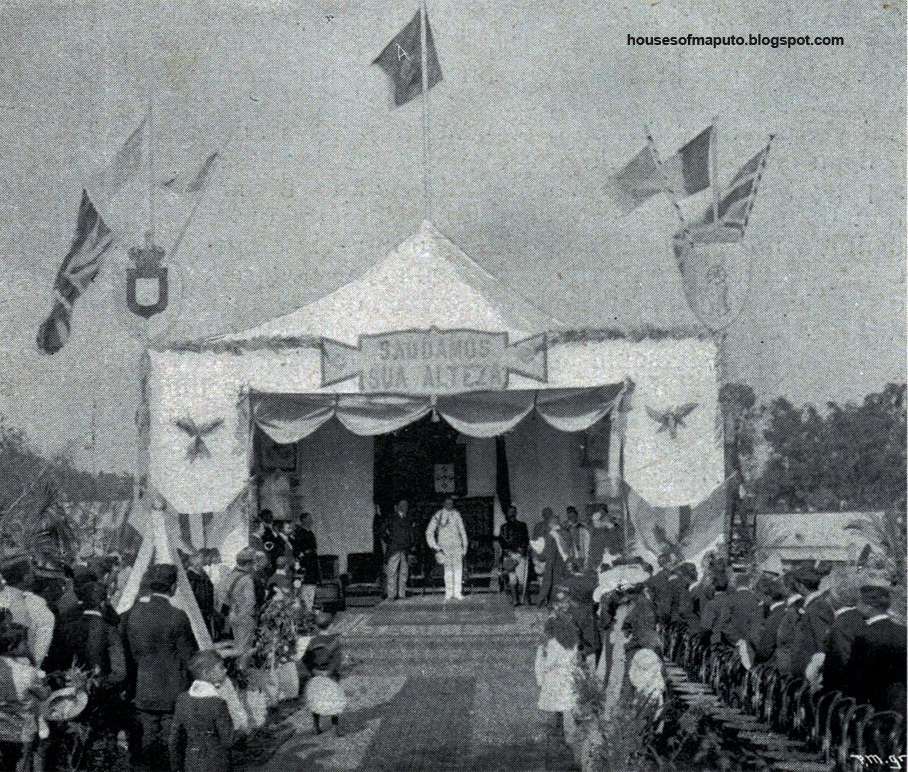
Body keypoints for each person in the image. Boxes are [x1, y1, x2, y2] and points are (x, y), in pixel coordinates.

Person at [123, 563, 197, 772]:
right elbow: (188, 656)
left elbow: (132, 651)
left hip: (144, 685)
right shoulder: (177, 616)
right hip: (173, 689)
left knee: (148, 739)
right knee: (171, 742)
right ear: (173, 587)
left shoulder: (135, 613)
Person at [846, 579, 907, 712]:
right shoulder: (903, 632)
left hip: (874, 703)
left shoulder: (864, 635)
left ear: (868, 606)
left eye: (858, 603)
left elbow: (856, 674)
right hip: (899, 701)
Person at [169, 650, 234, 772]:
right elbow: (228, 740)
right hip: (217, 763)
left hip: (192, 761)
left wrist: (176, 766)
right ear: (207, 673)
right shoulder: (217, 703)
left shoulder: (183, 699)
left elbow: (174, 739)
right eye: (221, 667)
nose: (225, 670)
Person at [535, 596, 579, 739]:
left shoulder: (552, 645)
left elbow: (547, 664)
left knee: (555, 707)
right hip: (569, 676)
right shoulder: (572, 642)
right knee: (567, 706)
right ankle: (568, 735)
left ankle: (558, 732)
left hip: (555, 678)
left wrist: (541, 678)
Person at [303, 611, 345, 736]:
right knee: (334, 699)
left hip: (316, 675)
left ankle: (316, 726)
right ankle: (336, 727)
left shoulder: (312, 642)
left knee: (316, 698)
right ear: (331, 626)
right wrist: (330, 672)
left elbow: (306, 659)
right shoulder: (335, 641)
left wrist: (313, 670)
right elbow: (337, 659)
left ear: (316, 626)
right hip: (330, 676)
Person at [425, 498, 469, 601]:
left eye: (451, 503)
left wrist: (465, 546)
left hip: (457, 546)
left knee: (458, 570)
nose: (450, 505)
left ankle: (457, 592)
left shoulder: (456, 515)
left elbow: (462, 531)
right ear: (443, 503)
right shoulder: (438, 515)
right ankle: (449, 593)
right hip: (444, 548)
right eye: (447, 503)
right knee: (448, 570)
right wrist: (435, 546)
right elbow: (429, 532)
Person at [219, 549, 259, 654]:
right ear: (248, 563)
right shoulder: (247, 579)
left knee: (238, 645)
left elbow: (222, 595)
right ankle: (241, 669)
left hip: (232, 614)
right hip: (244, 616)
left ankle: (237, 668)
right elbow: (251, 601)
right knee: (245, 649)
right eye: (253, 563)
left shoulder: (231, 575)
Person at [497, 505, 530, 605]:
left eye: (513, 511)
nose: (511, 513)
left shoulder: (522, 525)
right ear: (507, 513)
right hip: (509, 555)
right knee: (512, 578)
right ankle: (515, 600)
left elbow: (526, 540)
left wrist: (522, 550)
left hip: (520, 555)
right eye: (509, 511)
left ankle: (526, 599)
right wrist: (509, 552)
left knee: (522, 579)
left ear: (516, 513)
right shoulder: (504, 527)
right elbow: (502, 542)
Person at [383, 500, 413, 601]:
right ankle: (391, 595)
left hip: (405, 549)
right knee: (392, 572)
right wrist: (390, 541)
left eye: (406, 505)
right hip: (394, 549)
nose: (405, 507)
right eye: (403, 505)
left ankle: (402, 594)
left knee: (404, 572)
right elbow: (382, 531)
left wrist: (410, 545)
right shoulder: (391, 517)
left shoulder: (408, 518)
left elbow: (410, 533)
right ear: (398, 507)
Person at [537, 515, 570, 607]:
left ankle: (545, 602)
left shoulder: (551, 535)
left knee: (550, 583)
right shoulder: (566, 533)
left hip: (553, 563)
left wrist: (539, 555)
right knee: (562, 583)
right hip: (565, 563)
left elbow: (546, 553)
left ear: (550, 524)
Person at [292, 513, 320, 612]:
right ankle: (307, 613)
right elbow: (297, 552)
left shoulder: (310, 533)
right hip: (306, 568)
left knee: (311, 593)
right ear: (304, 521)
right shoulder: (300, 534)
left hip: (312, 567)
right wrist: (305, 553)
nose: (311, 520)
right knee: (306, 594)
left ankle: (309, 612)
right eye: (309, 519)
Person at [564, 506, 590, 572]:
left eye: (573, 516)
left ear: (576, 516)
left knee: (581, 566)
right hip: (571, 550)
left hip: (581, 550)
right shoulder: (565, 527)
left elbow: (586, 540)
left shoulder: (582, 526)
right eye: (569, 517)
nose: (571, 518)